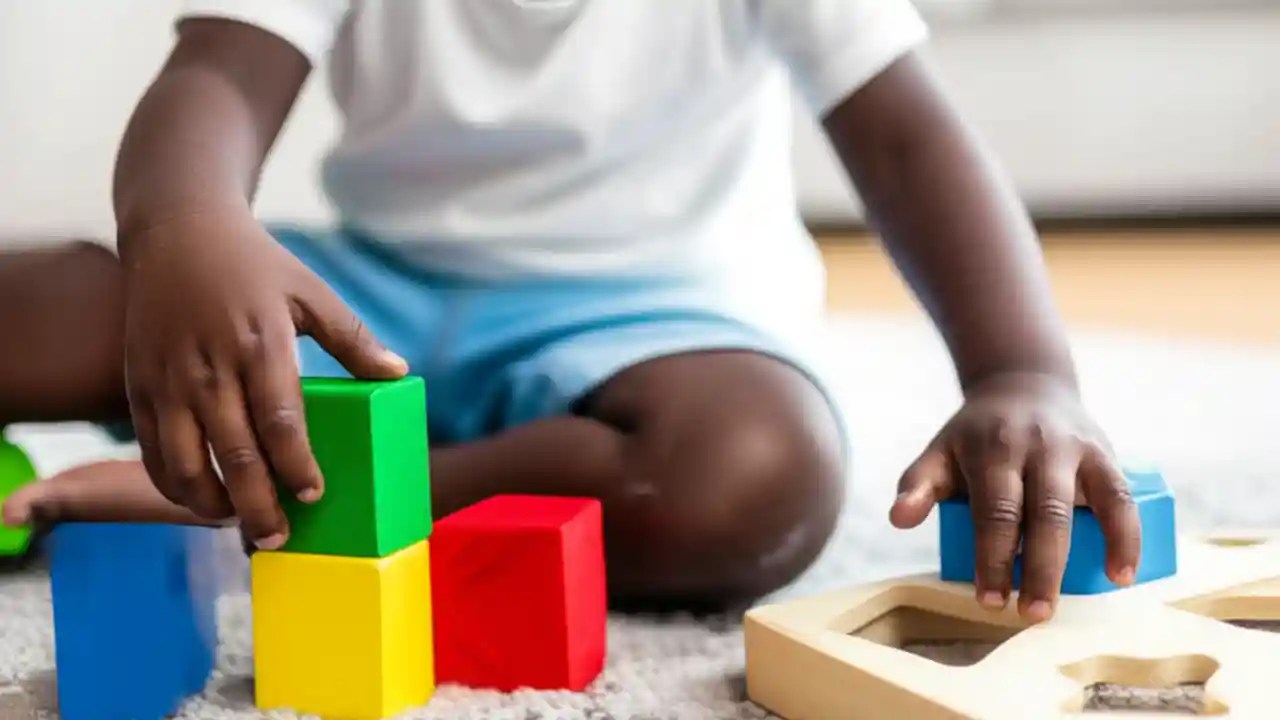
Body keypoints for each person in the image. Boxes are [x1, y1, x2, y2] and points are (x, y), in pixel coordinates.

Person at [0, 0, 1140, 618]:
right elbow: (216, 77)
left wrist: (1018, 374)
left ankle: (273, 499)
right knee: (57, 300)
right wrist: (185, 230)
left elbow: (906, 141)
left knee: (753, 472)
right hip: (373, 299)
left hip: (657, 328)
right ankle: (288, 459)